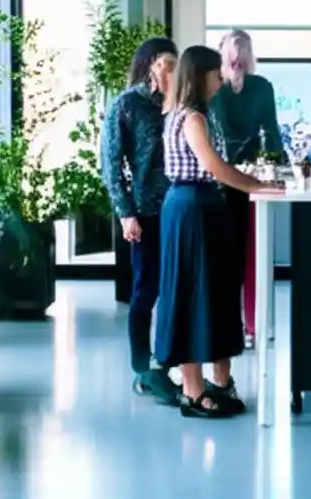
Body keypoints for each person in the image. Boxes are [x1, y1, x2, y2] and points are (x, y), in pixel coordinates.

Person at [156, 45, 282, 419]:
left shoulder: (191, 113)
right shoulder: (192, 118)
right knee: (193, 293)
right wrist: (257, 185)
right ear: (201, 76)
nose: (222, 80)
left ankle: (219, 382)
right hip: (192, 207)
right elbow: (214, 167)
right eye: (216, 73)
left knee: (211, 292)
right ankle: (193, 392)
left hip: (200, 206)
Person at [100, 37, 180, 405]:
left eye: (176, 64)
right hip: (144, 212)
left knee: (175, 290)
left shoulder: (180, 104)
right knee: (145, 290)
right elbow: (111, 164)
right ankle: (141, 367)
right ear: (150, 66)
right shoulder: (126, 104)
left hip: (178, 209)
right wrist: (125, 213)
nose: (172, 71)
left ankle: (168, 362)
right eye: (166, 64)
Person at [210, 29, 283, 350]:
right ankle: (241, 325)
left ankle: (242, 325)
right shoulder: (227, 88)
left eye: (240, 55)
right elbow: (269, 134)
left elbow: (271, 132)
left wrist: (277, 166)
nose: (237, 61)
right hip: (234, 181)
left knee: (239, 256)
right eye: (234, 54)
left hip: (237, 180)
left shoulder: (247, 87)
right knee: (239, 256)